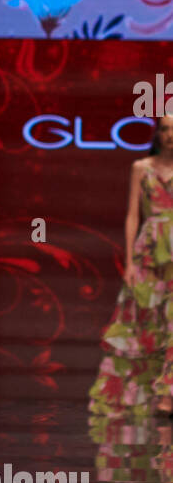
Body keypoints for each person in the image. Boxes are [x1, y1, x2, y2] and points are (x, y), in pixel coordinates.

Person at [88, 114, 173, 422]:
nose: (170, 135)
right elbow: (132, 216)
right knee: (145, 322)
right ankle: (144, 393)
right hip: (150, 250)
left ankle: (167, 395)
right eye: (165, 129)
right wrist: (129, 262)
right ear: (158, 133)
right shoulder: (142, 168)